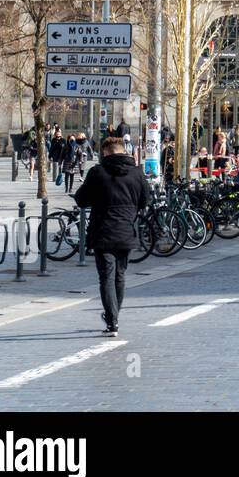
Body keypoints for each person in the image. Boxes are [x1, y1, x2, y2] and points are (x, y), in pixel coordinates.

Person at [73, 136, 151, 337]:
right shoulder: (137, 173)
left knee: (106, 276)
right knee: (120, 275)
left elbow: (81, 200)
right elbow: (145, 201)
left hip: (103, 231)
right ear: (123, 150)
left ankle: (112, 321)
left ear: (106, 152)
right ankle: (114, 316)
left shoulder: (97, 172)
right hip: (126, 230)